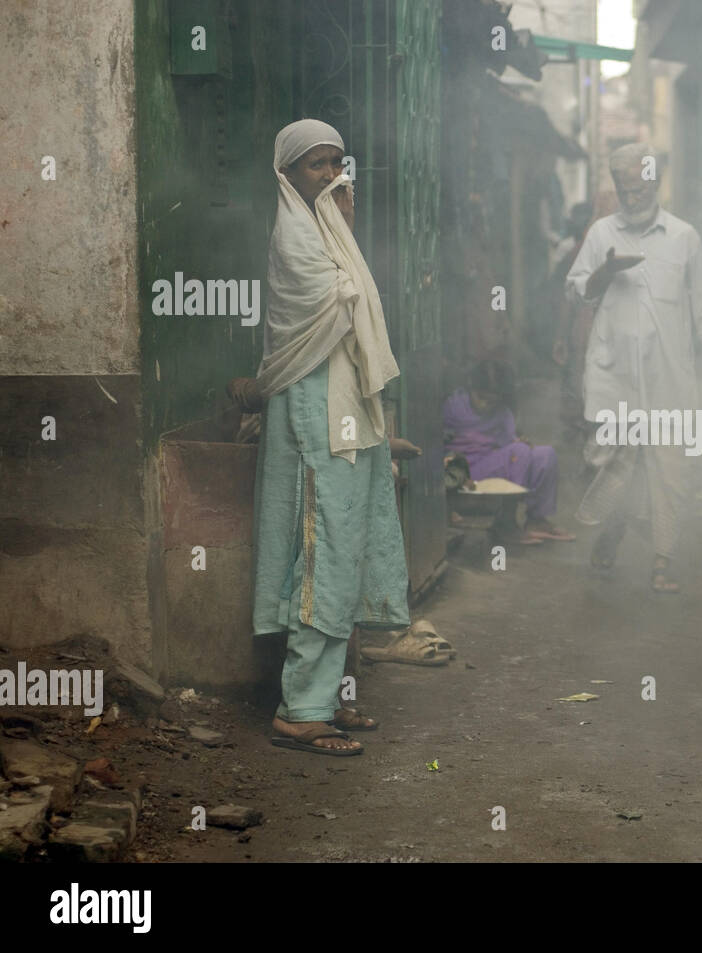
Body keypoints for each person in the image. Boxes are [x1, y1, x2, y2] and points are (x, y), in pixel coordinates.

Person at [249, 119, 412, 755]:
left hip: (346, 407)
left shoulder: (327, 226)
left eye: (336, 162)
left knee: (350, 539)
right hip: (318, 411)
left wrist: (343, 219)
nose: (330, 174)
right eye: (317, 165)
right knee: (323, 545)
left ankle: (329, 698)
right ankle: (300, 711)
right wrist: (344, 217)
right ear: (287, 172)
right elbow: (336, 306)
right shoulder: (295, 232)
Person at [565, 144, 702, 592]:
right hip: (613, 380)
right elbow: (576, 292)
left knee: (672, 474)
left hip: (670, 381)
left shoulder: (683, 237)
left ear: (654, 183)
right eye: (623, 190)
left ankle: (662, 562)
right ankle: (612, 531)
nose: (631, 198)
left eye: (638, 189)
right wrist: (604, 274)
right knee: (610, 467)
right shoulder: (600, 234)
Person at [442, 360, 575, 542]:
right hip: (464, 470)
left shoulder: (502, 413)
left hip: (489, 463)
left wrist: (519, 443)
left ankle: (536, 519)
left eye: (491, 401)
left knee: (545, 454)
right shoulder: (454, 406)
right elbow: (437, 438)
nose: (484, 405)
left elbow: (508, 443)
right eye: (480, 397)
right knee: (519, 452)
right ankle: (506, 521)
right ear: (470, 388)